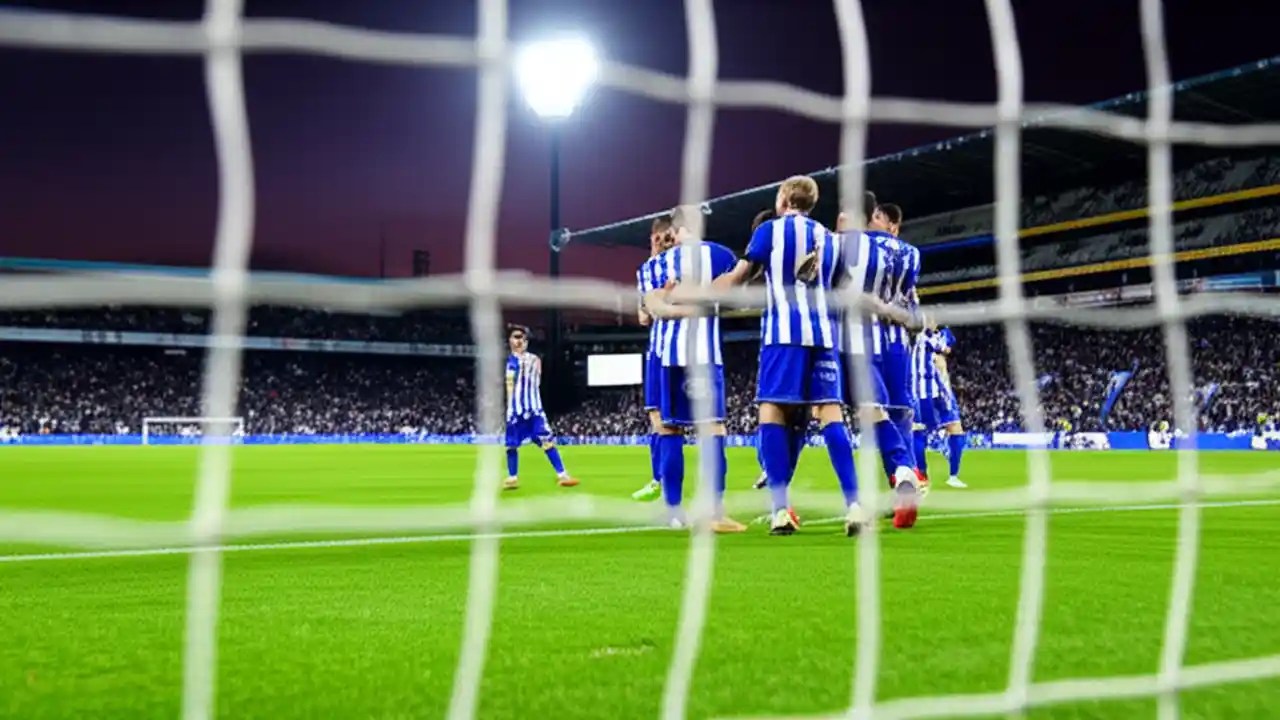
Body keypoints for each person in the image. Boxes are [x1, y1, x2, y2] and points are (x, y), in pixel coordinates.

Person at [710, 176, 863, 536]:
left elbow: (738, 277)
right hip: (824, 336)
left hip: (783, 335)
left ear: (783, 199)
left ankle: (780, 510)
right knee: (831, 415)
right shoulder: (831, 239)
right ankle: (854, 506)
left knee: (772, 411)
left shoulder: (769, 232)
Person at [642, 206, 747, 532]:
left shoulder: (653, 266)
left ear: (673, 230)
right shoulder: (718, 254)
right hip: (702, 354)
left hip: (667, 356)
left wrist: (677, 304)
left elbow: (654, 309)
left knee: (669, 429)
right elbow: (738, 295)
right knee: (713, 428)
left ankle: (673, 511)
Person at [835, 195, 925, 530]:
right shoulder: (911, 255)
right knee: (899, 415)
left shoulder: (847, 246)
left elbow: (845, 293)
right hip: (899, 346)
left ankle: (903, 472)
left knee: (870, 411)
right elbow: (917, 318)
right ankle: (903, 493)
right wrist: (892, 311)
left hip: (861, 340)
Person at [631, 216, 678, 502]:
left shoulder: (681, 263)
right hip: (657, 350)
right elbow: (643, 317)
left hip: (681, 347)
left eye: (665, 237)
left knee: (672, 421)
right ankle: (657, 479)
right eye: (656, 237)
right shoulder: (645, 271)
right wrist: (663, 297)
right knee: (655, 415)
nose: (660, 242)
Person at [502, 326, 578, 490]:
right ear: (510, 341)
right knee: (511, 445)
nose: (519, 340)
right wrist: (510, 408)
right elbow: (510, 386)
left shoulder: (532, 360)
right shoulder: (510, 361)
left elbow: (531, 379)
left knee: (547, 442)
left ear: (527, 341)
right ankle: (512, 477)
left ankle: (563, 475)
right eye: (515, 337)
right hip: (515, 411)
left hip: (534, 410)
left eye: (522, 337)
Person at [912, 320, 967, 489]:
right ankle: (944, 469)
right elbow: (945, 350)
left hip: (923, 391)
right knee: (922, 429)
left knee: (920, 429)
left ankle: (924, 474)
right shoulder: (927, 338)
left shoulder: (918, 341)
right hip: (931, 392)